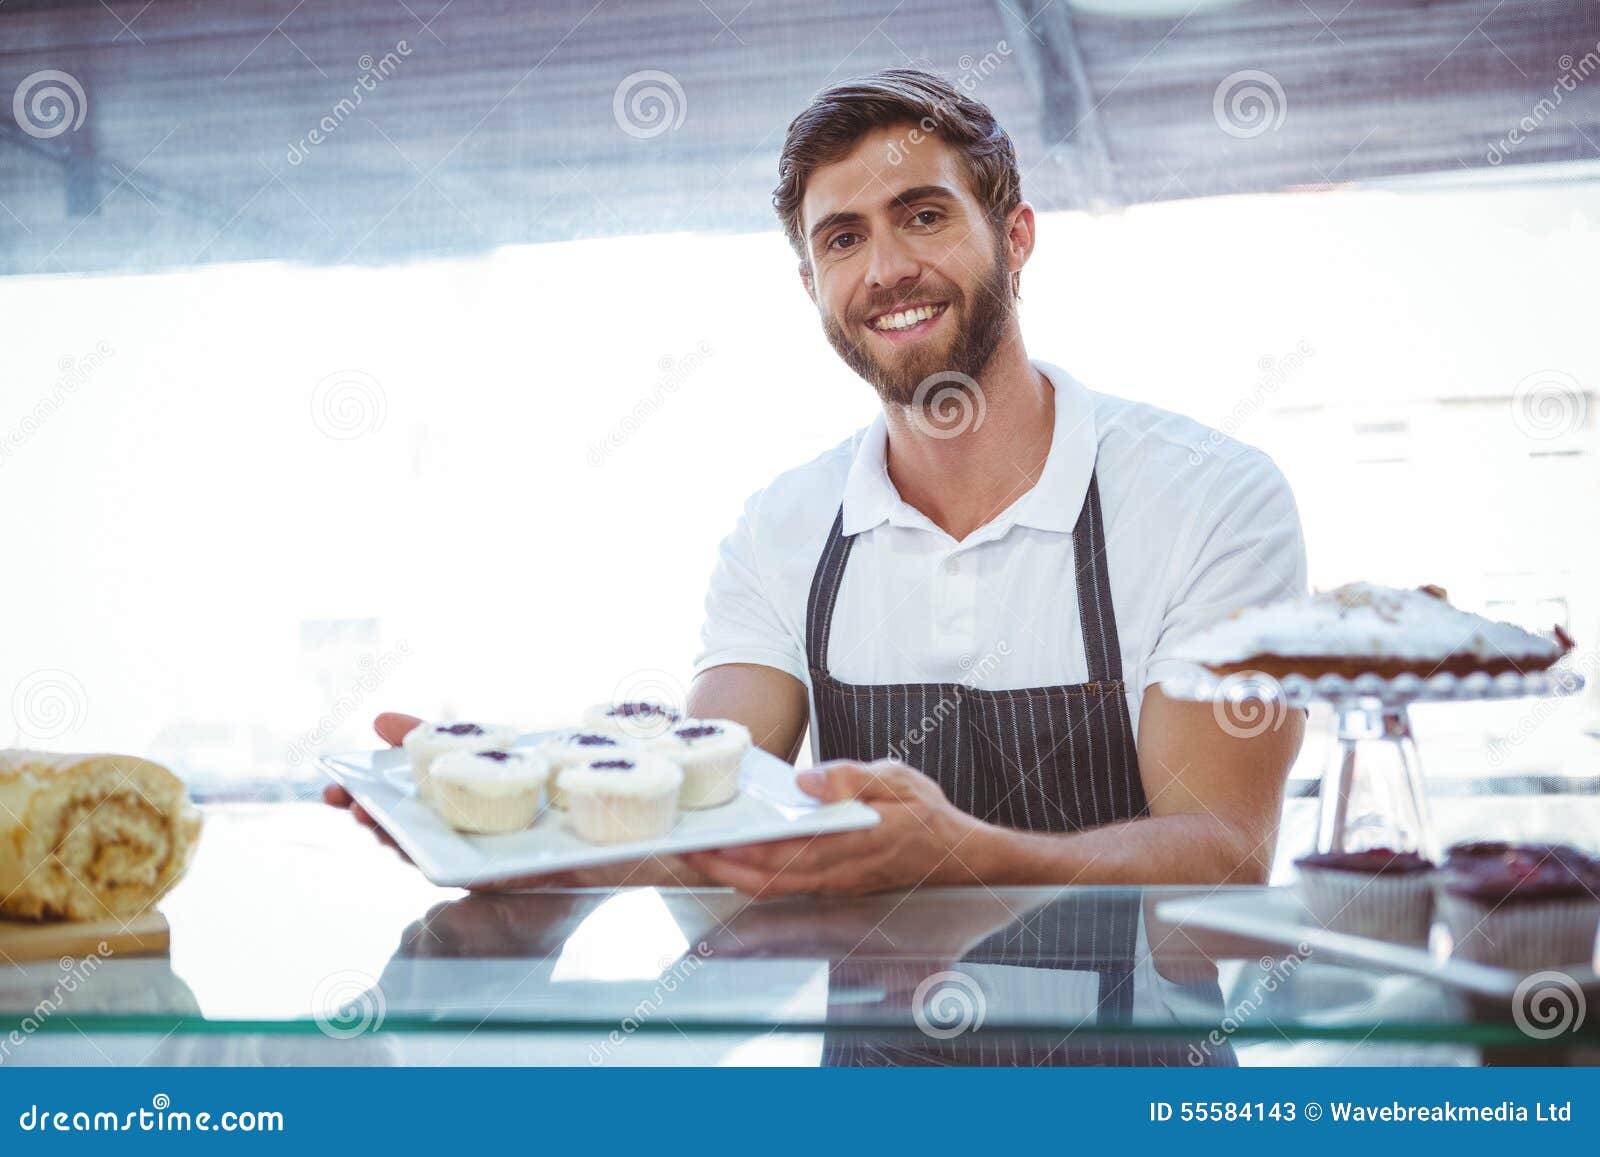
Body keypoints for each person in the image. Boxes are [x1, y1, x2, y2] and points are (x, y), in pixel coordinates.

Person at [328, 67, 1306, 896]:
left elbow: (1225, 849)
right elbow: (704, 802)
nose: (885, 268)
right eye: (841, 238)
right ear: (810, 284)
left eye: (922, 215)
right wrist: (513, 823)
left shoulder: (1210, 500)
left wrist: (966, 850)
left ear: (1014, 236)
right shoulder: (781, 528)